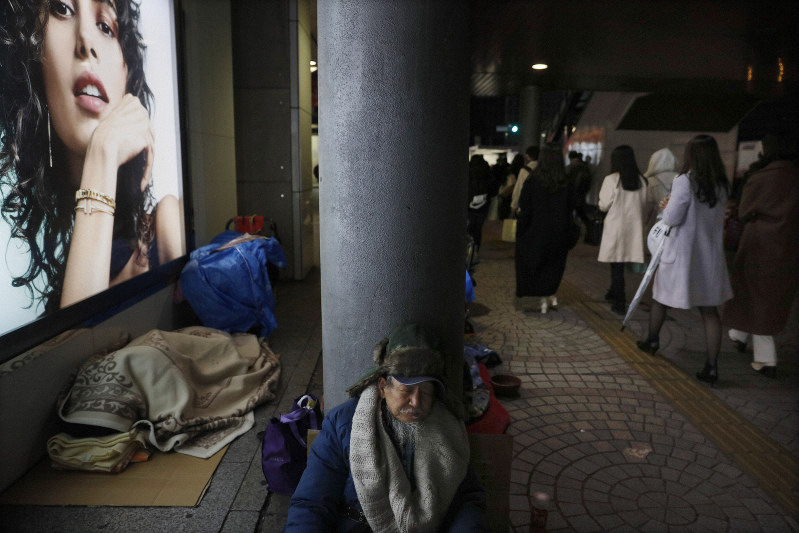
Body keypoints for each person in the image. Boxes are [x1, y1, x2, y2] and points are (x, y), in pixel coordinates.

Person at [0, 0, 182, 317]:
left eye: (105, 26)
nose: (86, 41)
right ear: (30, 58)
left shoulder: (165, 227)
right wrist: (102, 157)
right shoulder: (60, 295)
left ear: (127, 72)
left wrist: (104, 151)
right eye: (62, 9)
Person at [285, 323, 488, 532]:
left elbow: (468, 500)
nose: (416, 402)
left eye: (426, 392)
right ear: (383, 387)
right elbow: (312, 503)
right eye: (406, 390)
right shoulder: (344, 423)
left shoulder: (448, 427)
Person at [636, 135, 733, 387]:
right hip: (709, 257)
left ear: (691, 155)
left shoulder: (685, 181)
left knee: (660, 297)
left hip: (682, 256)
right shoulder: (722, 185)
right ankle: (712, 367)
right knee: (710, 311)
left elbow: (672, 219)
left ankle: (653, 340)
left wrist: (665, 206)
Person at [722, 132, 799, 379]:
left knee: (754, 291)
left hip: (759, 243)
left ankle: (766, 359)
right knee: (771, 294)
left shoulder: (761, 177)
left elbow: (744, 211)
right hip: (789, 244)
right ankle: (740, 334)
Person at [515, 144, 574, 314]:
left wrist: (521, 230)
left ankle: (540, 298)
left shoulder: (533, 180)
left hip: (535, 231)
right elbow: (572, 208)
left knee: (535, 263)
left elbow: (525, 207)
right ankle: (550, 294)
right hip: (559, 233)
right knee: (554, 265)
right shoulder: (566, 182)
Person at [596, 145, 647, 315]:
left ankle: (619, 301)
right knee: (621, 264)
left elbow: (603, 206)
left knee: (616, 266)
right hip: (634, 230)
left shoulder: (612, 179)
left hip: (616, 229)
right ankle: (613, 292)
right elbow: (644, 205)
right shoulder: (641, 181)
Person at [643, 148, 678, 233]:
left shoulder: (650, 181)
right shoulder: (680, 177)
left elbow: (648, 209)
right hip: (677, 224)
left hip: (658, 225)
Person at [467, 154, 491, 257]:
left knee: (468, 227)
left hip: (469, 203)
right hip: (483, 204)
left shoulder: (468, 169)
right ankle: (476, 248)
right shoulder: (486, 170)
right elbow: (492, 185)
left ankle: (468, 248)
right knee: (478, 228)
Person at [509, 145, 540, 216]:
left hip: (526, 208)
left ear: (527, 156)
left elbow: (519, 189)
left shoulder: (524, 170)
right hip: (539, 207)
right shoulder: (543, 169)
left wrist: (514, 206)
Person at [566, 150, 592, 230]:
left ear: (570, 157)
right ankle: (589, 227)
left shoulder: (569, 167)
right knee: (580, 211)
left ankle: (572, 229)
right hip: (581, 193)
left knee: (570, 212)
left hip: (572, 193)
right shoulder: (585, 166)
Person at [497, 153, 524, 220]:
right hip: (517, 195)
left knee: (505, 217)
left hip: (508, 196)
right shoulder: (523, 171)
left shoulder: (511, 170)